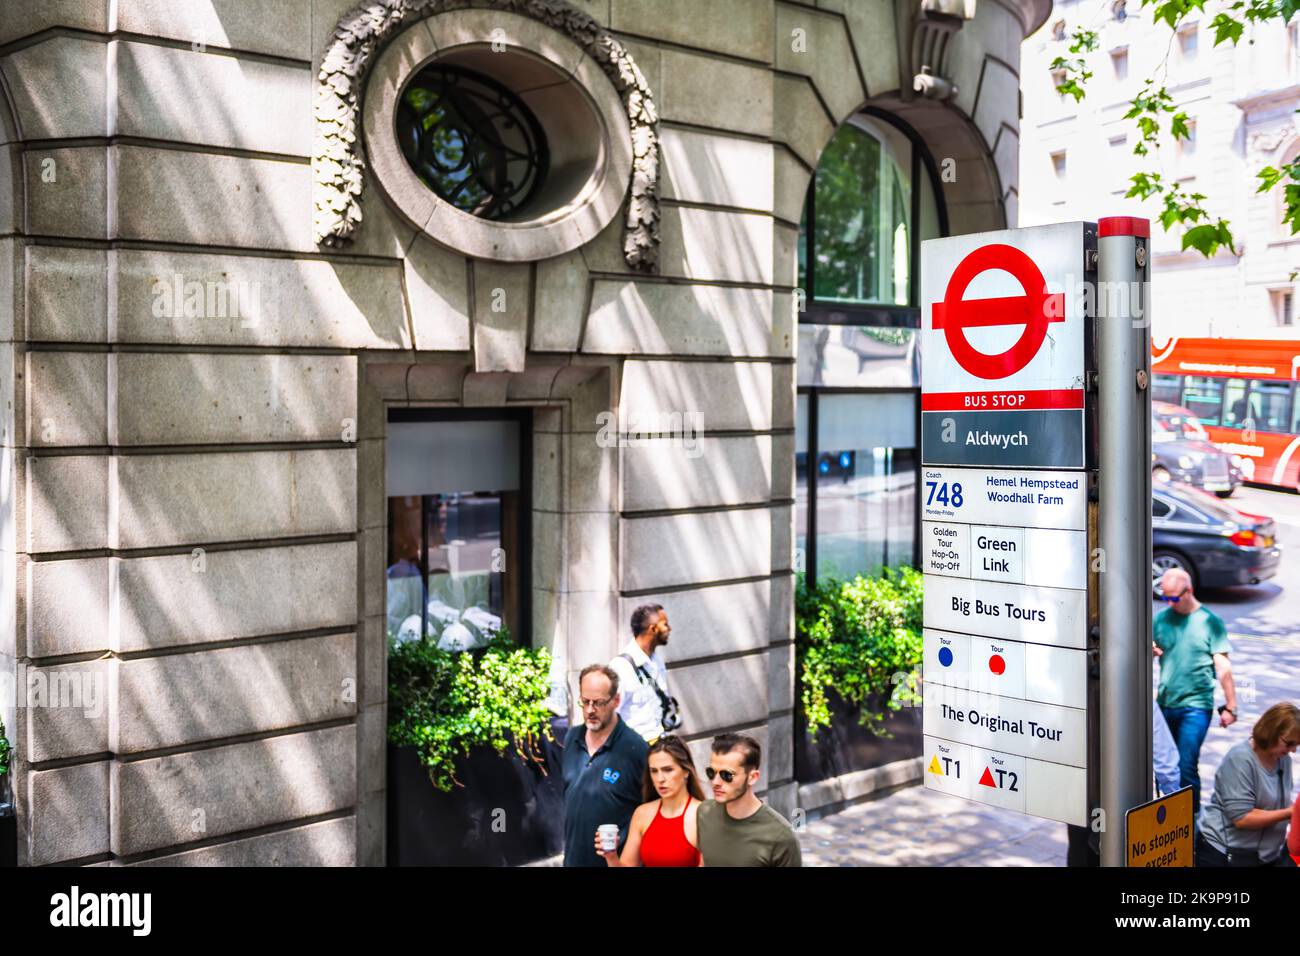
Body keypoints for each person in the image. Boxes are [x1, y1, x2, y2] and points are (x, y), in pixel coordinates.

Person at [1153, 567, 1237, 815]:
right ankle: (1166, 817)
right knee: (1164, 764)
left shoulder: (1210, 622)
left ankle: (1191, 820)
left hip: (1196, 706)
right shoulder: (1160, 619)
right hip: (1166, 701)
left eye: (1174, 598)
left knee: (1186, 764)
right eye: (1166, 597)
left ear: (1188, 591)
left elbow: (1222, 665)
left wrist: (1231, 705)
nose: (1169, 602)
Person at [561, 665, 648, 868]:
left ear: (616, 701)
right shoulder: (572, 737)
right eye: (585, 702)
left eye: (599, 703)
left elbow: (653, 817)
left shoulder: (635, 749)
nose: (590, 710)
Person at [1196, 702, 1300, 867]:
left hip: (1262, 855)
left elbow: (1279, 802)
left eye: (1296, 745)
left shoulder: (1283, 760)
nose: (1293, 750)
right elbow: (1242, 818)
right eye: (1289, 743)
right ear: (1271, 732)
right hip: (1225, 853)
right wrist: (1290, 813)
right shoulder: (1240, 760)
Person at [594, 735, 704, 867]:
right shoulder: (642, 814)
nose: (660, 778)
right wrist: (611, 856)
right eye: (654, 771)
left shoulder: (703, 816)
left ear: (686, 771)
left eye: (668, 770)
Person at [696, 733, 801, 867]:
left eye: (726, 775)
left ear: (752, 777)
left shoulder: (781, 838)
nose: (716, 782)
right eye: (711, 773)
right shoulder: (704, 812)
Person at [608, 604, 681, 743]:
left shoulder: (656, 660)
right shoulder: (621, 667)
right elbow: (610, 715)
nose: (669, 629)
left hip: (658, 744)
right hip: (634, 749)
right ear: (652, 629)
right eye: (665, 624)